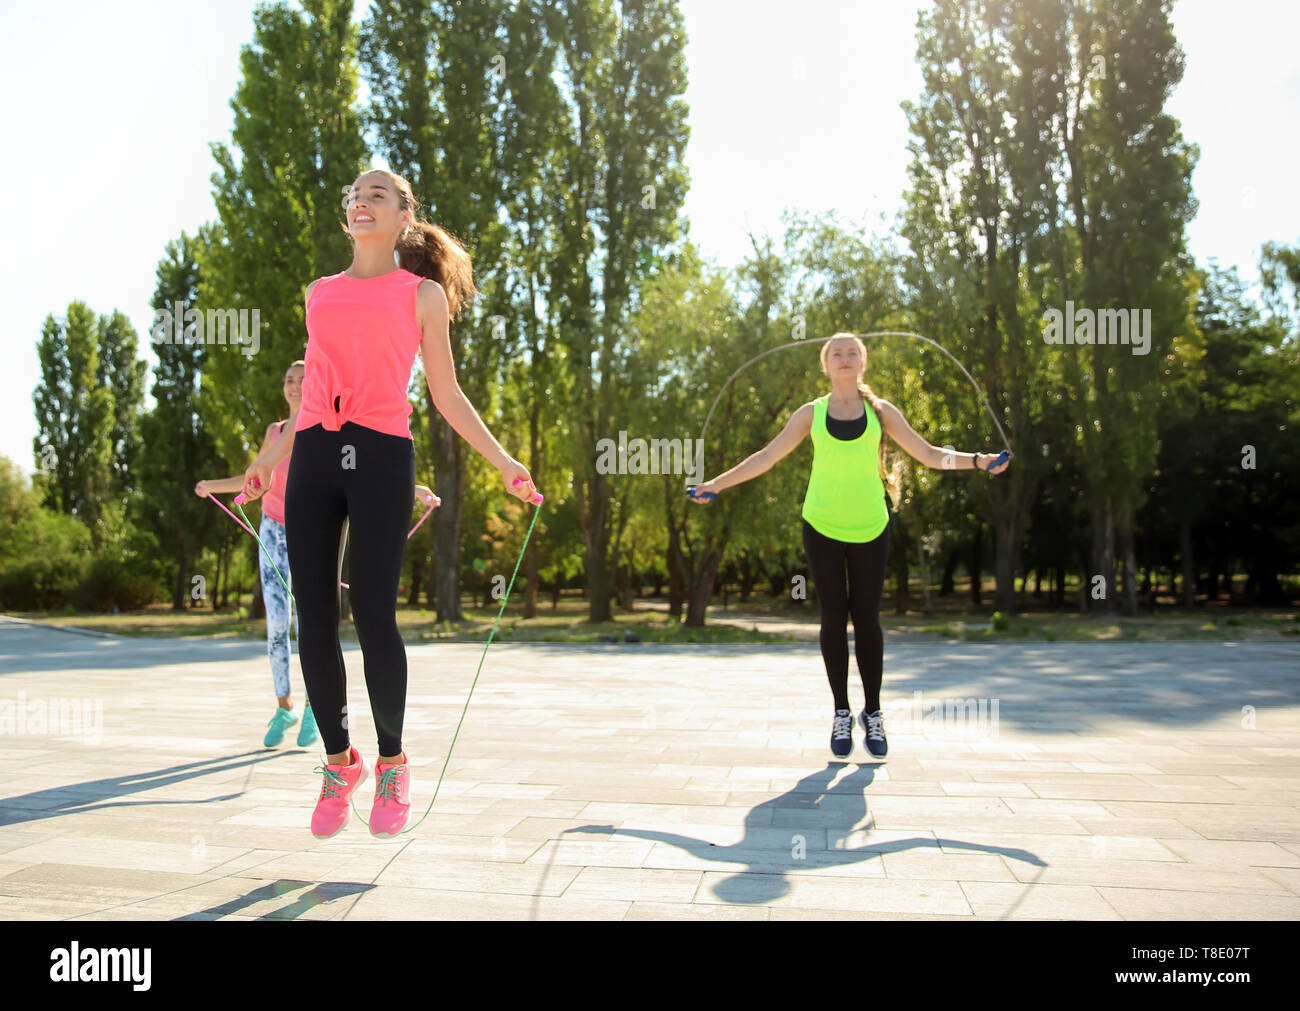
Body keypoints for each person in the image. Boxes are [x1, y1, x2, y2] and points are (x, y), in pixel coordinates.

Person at [239, 168, 537, 838]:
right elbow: (308, 394)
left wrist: (506, 462)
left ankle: (394, 763)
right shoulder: (320, 293)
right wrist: (264, 465)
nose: (361, 199)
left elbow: (447, 394)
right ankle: (339, 762)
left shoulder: (422, 294)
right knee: (315, 620)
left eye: (378, 193)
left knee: (375, 614)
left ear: (404, 215)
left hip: (379, 457)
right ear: (347, 216)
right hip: (315, 454)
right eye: (354, 193)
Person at [688, 332, 1009, 760]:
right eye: (836, 353)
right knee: (833, 617)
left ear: (862, 362)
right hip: (820, 525)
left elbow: (929, 454)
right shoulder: (811, 413)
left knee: (867, 620)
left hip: (871, 527)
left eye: (851, 352)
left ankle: (872, 713)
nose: (844, 357)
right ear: (825, 364)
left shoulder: (882, 413)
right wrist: (716, 485)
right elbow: (767, 457)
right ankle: (841, 711)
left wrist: (979, 460)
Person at [196, 360, 317, 749]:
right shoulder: (275, 431)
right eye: (289, 379)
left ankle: (318, 705)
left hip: (312, 532)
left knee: (311, 622)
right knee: (277, 624)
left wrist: (413, 491)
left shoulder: (323, 428)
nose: (294, 385)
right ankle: (285, 707)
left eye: (302, 379)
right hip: (273, 531)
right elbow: (255, 476)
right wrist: (213, 485)